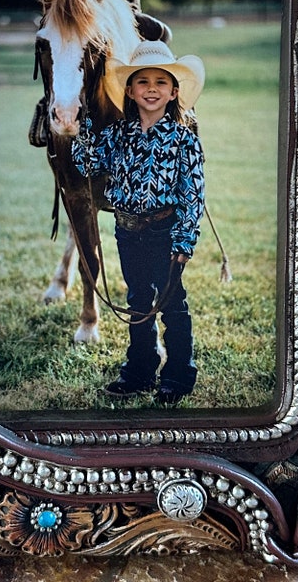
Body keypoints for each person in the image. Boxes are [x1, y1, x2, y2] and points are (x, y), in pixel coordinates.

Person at [72, 39, 206, 404]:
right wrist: (83, 126)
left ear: (174, 91)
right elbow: (87, 165)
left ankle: (178, 376)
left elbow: (192, 195)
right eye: (142, 82)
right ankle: (140, 371)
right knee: (137, 301)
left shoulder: (183, 140)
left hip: (165, 231)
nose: (151, 89)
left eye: (160, 82)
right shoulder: (117, 136)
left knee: (172, 303)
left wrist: (183, 243)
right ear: (130, 91)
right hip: (128, 231)